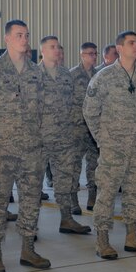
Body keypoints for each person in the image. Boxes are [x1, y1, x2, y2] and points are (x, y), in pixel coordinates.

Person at [0, 19, 49, 272]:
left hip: (31, 150)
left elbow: (43, 110)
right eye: (19, 35)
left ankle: (28, 248)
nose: (24, 39)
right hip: (1, 151)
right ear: (7, 39)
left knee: (30, 200)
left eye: (26, 35)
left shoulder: (36, 72)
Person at [83, 30, 136, 259]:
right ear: (120, 48)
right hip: (113, 148)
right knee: (106, 193)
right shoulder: (104, 77)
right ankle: (102, 240)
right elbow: (90, 111)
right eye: (131, 43)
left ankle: (132, 236)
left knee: (135, 193)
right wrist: (103, 139)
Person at [39, 35, 91, 234]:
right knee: (34, 183)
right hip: (41, 138)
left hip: (63, 137)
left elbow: (72, 103)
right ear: (43, 51)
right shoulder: (34, 75)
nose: (57, 51)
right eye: (52, 47)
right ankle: (30, 226)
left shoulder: (65, 75)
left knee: (65, 179)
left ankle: (67, 219)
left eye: (58, 47)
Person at [70, 42, 99, 212]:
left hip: (94, 128)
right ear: (82, 55)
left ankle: (92, 196)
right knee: (74, 164)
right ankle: (73, 200)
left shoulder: (99, 75)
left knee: (94, 164)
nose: (93, 56)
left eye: (95, 53)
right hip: (77, 127)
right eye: (90, 53)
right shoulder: (73, 75)